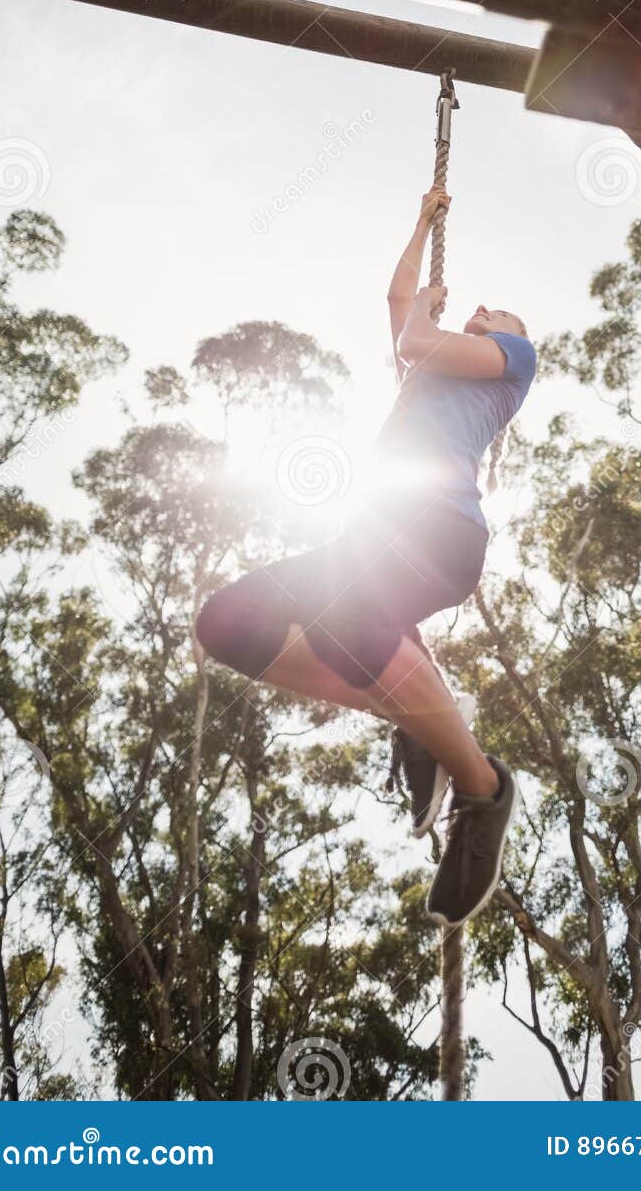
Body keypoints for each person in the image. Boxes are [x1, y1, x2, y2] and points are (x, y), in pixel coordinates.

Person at [195, 186, 536, 927]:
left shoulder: (515, 359)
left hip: (438, 531)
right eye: (483, 311)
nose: (487, 311)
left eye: (498, 312)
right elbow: (397, 304)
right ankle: (432, 718)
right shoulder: (427, 372)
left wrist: (427, 319)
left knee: (346, 623)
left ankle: (482, 790)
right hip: (363, 538)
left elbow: (413, 335)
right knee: (226, 623)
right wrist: (423, 223)